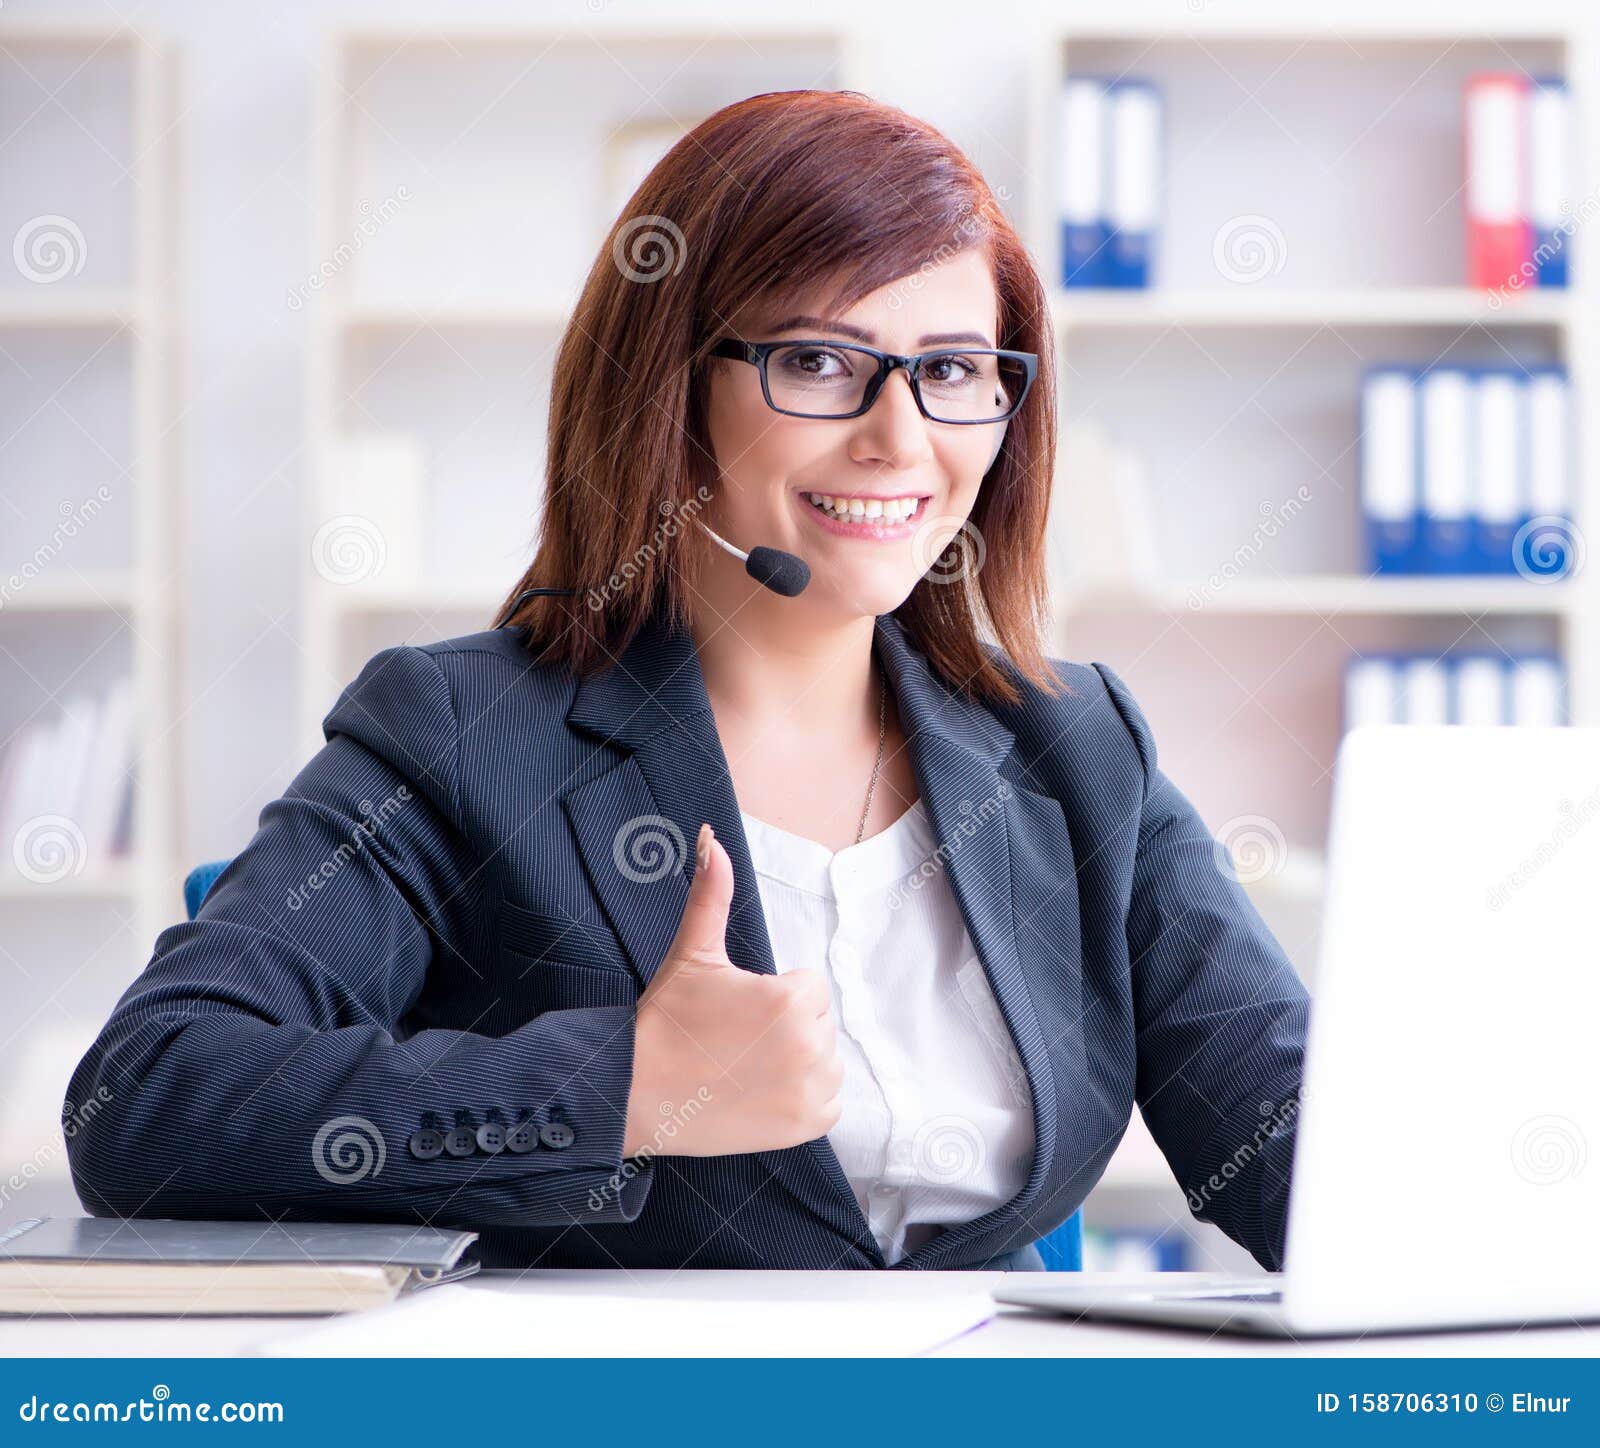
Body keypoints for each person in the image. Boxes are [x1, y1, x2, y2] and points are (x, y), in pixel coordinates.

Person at [65, 89, 1308, 1272]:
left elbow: (1292, 1140)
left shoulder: (1075, 746)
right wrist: (627, 1083)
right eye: (820, 362)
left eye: (951, 369)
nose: (900, 438)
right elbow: (151, 1093)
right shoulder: (464, 733)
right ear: (667, 387)